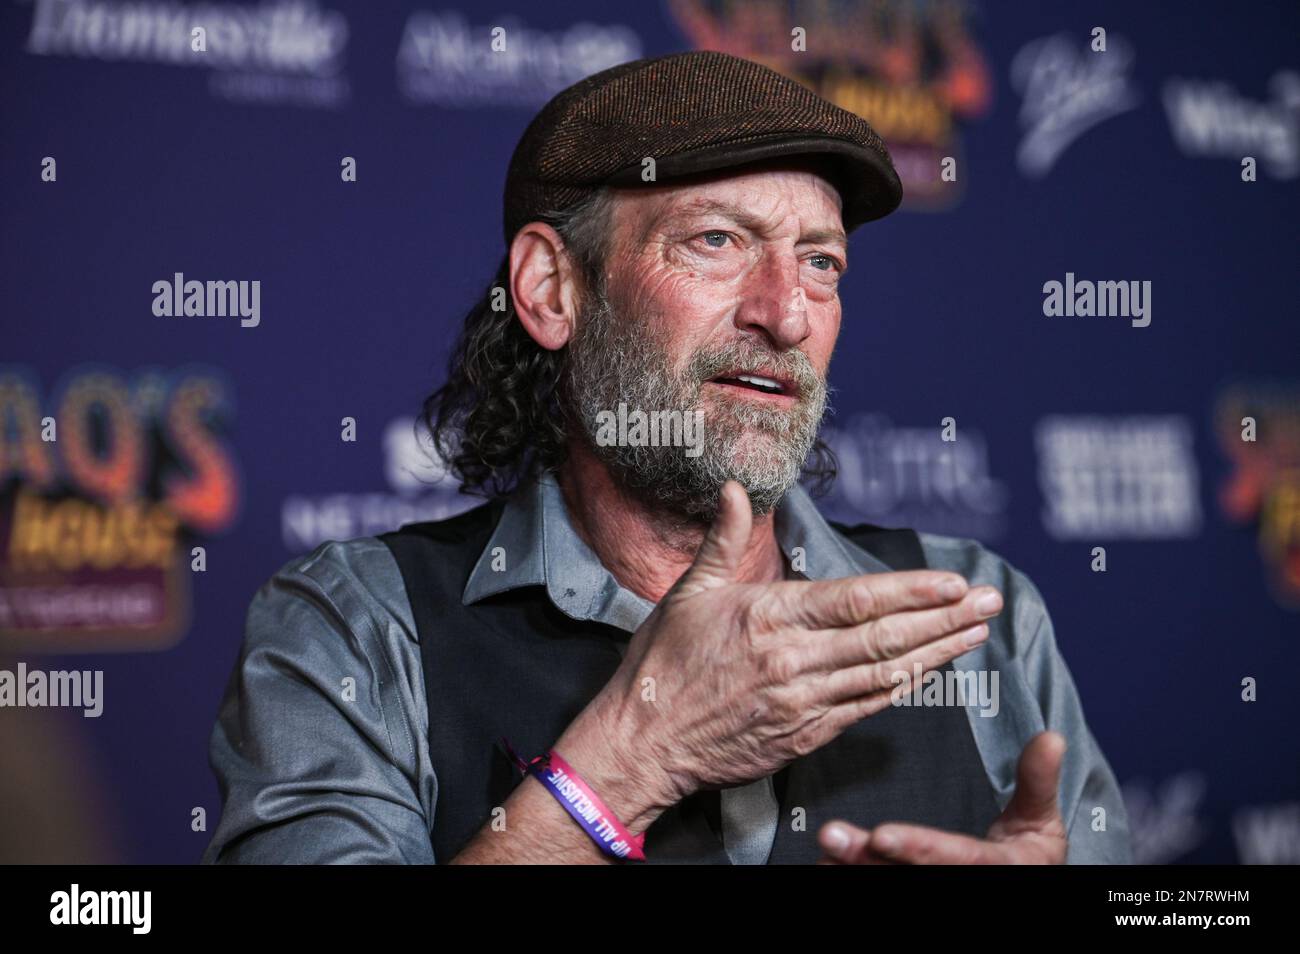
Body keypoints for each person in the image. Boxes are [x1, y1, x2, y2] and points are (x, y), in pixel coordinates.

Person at [203, 50, 1131, 865]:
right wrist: (638, 752)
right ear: (551, 288)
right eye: (718, 241)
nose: (787, 313)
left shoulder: (975, 616)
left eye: (821, 262)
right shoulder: (358, 628)